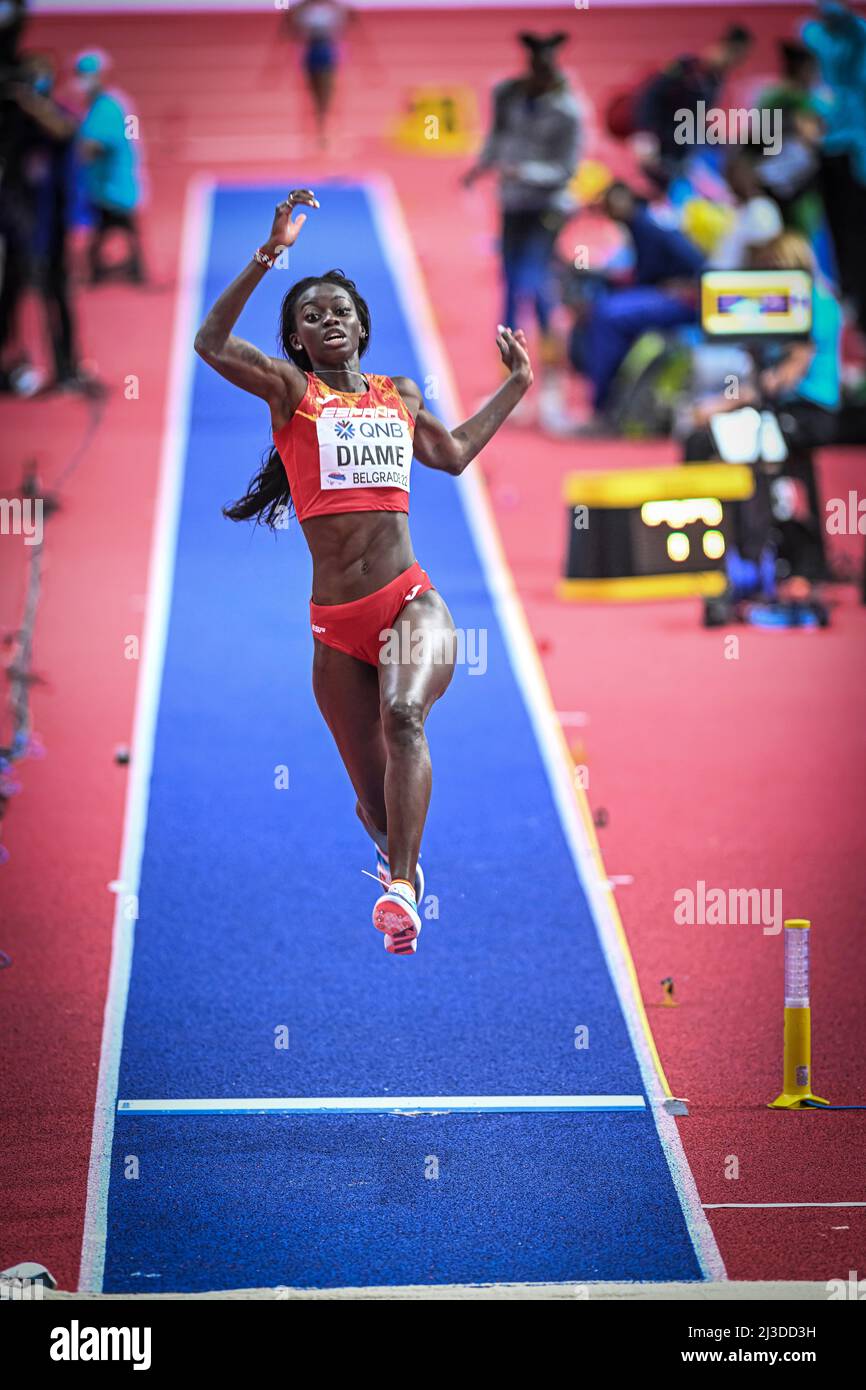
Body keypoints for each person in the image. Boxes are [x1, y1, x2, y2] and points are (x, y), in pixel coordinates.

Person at [193, 189, 533, 955]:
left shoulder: (399, 396)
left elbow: (451, 456)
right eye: (311, 315)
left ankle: (406, 889)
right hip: (334, 629)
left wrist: (514, 386)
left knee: (404, 717)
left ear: (363, 327)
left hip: (409, 599)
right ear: (297, 341)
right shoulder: (292, 394)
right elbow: (210, 343)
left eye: (340, 309)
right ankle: (391, 854)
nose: (329, 320)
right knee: (373, 804)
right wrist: (268, 252)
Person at [463, 30, 580, 435]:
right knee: (511, 293)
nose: (538, 73)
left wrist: (523, 172)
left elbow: (567, 170)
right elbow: (496, 138)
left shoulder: (569, 111)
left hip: (546, 210)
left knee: (540, 293)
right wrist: (480, 166)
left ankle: (552, 391)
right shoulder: (508, 94)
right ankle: (510, 389)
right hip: (513, 206)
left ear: (555, 68)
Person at [570, 181, 704, 425]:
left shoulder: (648, 223)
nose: (612, 209)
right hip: (661, 293)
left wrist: (686, 284)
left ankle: (602, 408)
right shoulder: (636, 224)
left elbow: (696, 263)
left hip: (687, 301)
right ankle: (608, 398)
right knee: (597, 309)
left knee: (606, 315)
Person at [802, 0, 866, 335]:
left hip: (854, 155)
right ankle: (852, 296)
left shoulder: (857, 37)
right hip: (833, 153)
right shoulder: (816, 37)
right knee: (842, 236)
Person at [74, 49, 145, 284]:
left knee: (109, 228)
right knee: (113, 230)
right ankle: (132, 270)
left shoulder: (106, 108)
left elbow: (92, 148)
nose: (82, 81)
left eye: (86, 75)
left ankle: (115, 271)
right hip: (114, 183)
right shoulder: (110, 103)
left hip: (113, 187)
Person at [286, 0, 351, 145]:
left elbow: (341, 28)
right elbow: (293, 31)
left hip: (326, 53)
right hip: (311, 53)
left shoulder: (332, 9)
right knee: (313, 95)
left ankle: (325, 130)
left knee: (327, 94)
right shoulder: (303, 10)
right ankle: (319, 130)